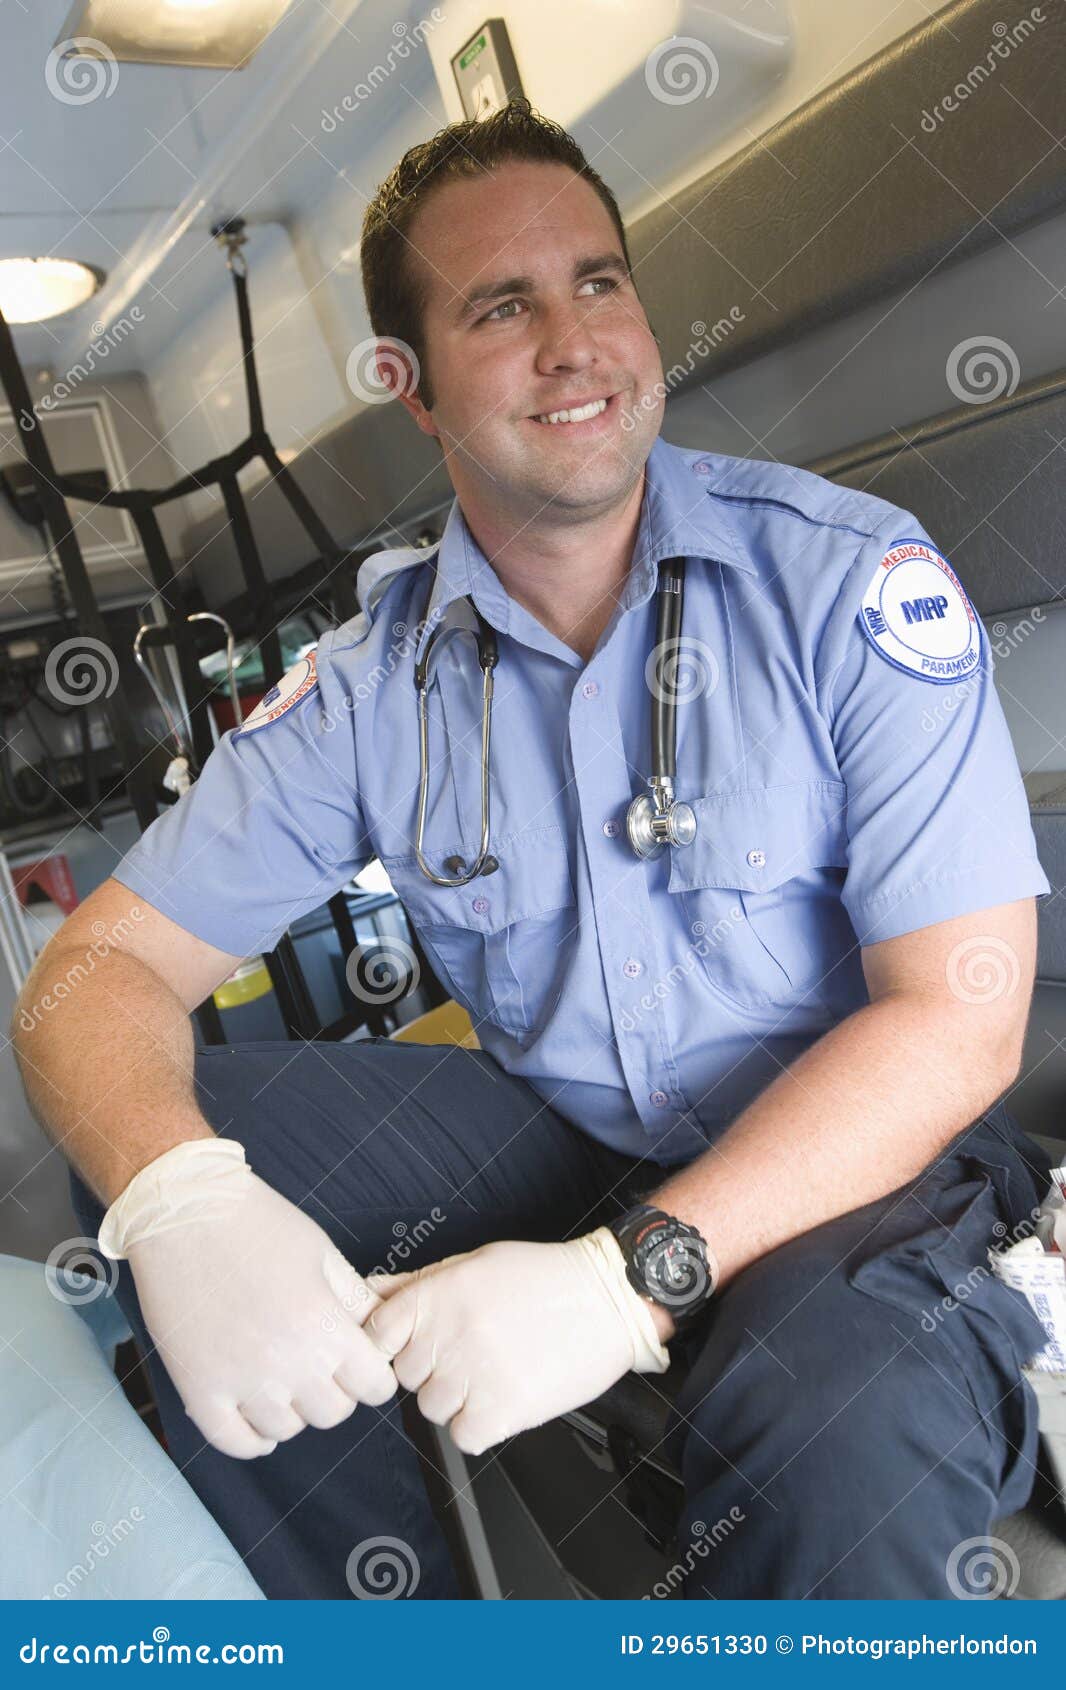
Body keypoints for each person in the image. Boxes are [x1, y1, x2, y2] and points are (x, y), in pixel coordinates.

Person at [14, 99, 1053, 1601]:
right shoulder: (372, 686)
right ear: (411, 386)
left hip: (864, 1152)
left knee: (828, 1414)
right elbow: (94, 966)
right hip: (570, 1136)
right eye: (502, 307)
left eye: (599, 282)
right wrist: (180, 1194)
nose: (574, 343)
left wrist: (624, 1282)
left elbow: (957, 1018)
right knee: (165, 1144)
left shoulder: (846, 582)